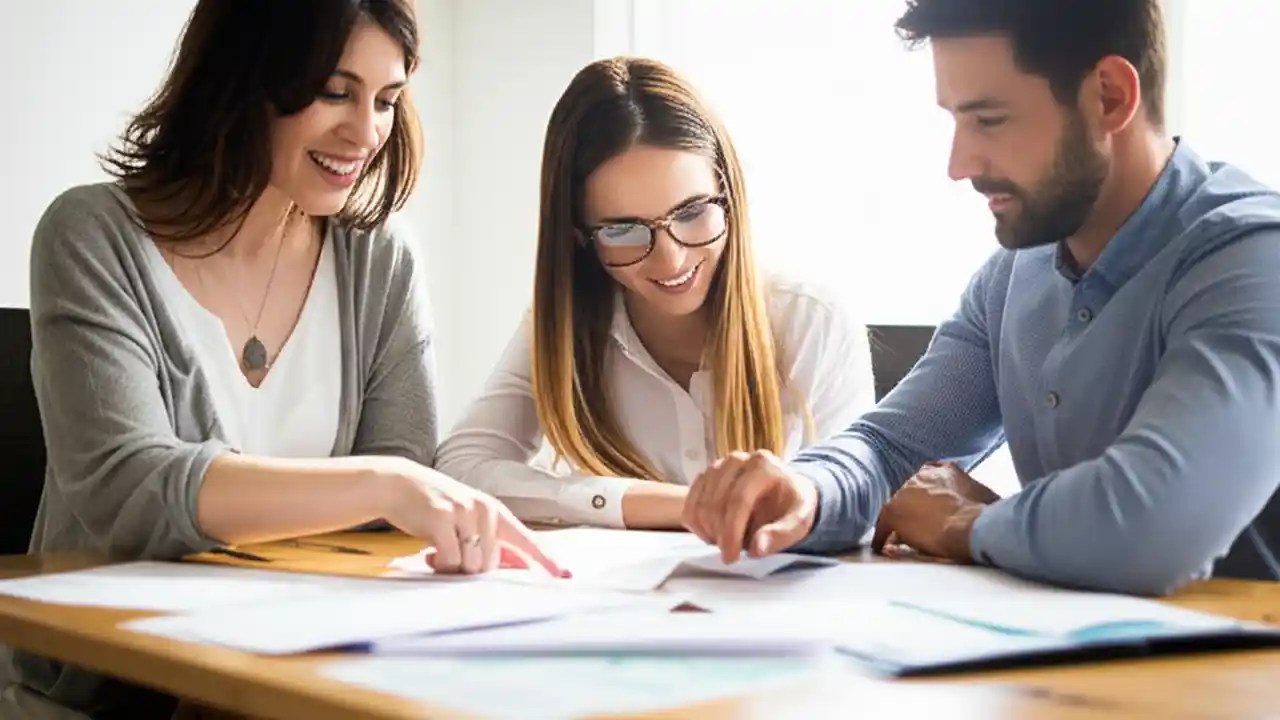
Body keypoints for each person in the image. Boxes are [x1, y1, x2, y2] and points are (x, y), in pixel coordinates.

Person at [4, 1, 560, 716]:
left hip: (303, 674)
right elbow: (129, 489)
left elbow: (402, 475)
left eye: (386, 100)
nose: (366, 133)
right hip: (109, 694)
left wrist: (393, 487)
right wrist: (382, 483)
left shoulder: (379, 258)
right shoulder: (91, 236)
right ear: (244, 79)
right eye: (335, 92)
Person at [684, 0, 1280, 595]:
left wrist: (962, 523)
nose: (959, 163)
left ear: (1109, 97)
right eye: (957, 122)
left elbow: (1149, 524)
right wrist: (806, 492)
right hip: (1081, 674)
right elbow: (890, 446)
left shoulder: (1252, 261)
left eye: (989, 120)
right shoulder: (1014, 275)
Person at [435, 57, 874, 530]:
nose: (671, 261)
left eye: (692, 214)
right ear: (580, 237)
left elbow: (852, 507)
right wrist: (676, 507)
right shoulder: (567, 327)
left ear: (729, 196)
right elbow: (462, 468)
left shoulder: (813, 323)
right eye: (623, 231)